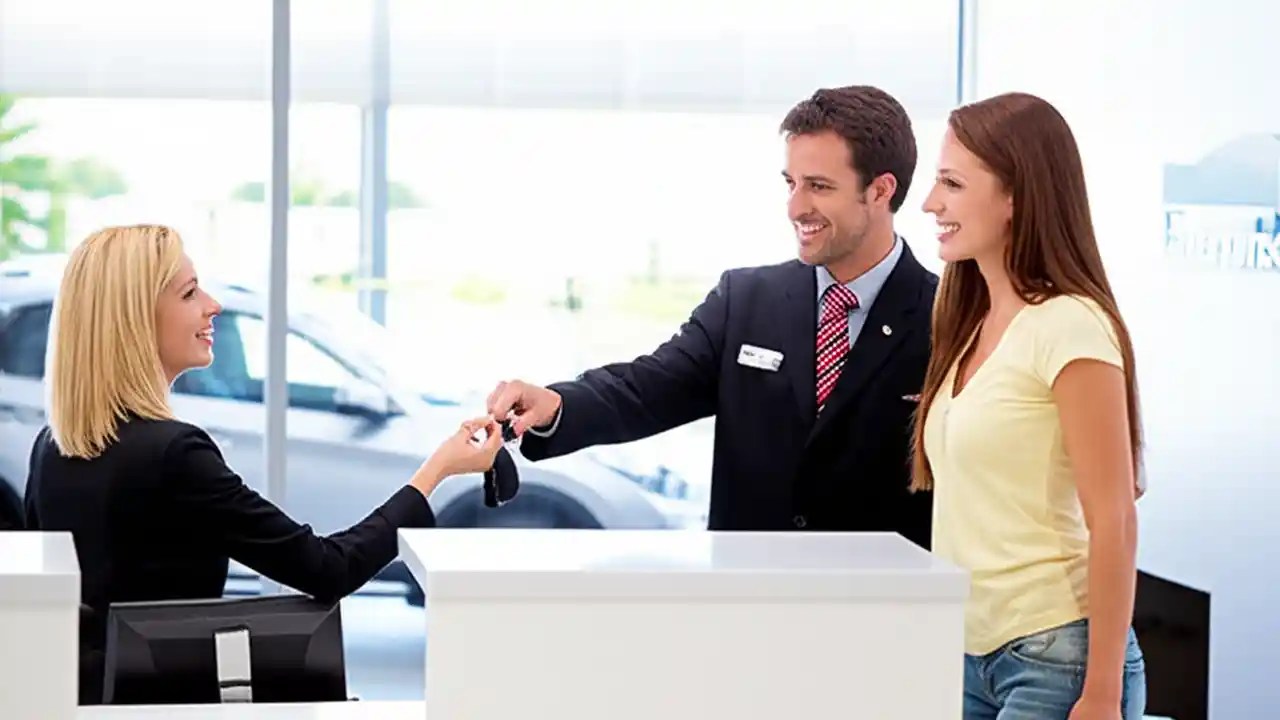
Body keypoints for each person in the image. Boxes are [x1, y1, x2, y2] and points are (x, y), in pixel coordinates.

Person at [22, 224, 504, 704]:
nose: (214, 305)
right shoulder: (175, 454)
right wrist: (434, 471)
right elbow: (328, 569)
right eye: (190, 293)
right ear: (134, 320)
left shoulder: (50, 449)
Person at [487, 85, 937, 544]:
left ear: (880, 191)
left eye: (818, 187)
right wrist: (556, 406)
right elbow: (647, 389)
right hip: (747, 598)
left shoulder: (948, 319)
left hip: (884, 604)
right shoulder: (745, 299)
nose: (796, 207)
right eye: (791, 183)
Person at [914, 92, 1146, 719]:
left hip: (1056, 657)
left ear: (1016, 196)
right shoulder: (969, 321)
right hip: (970, 652)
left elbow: (1115, 519)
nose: (931, 203)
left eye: (952, 184)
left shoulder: (1071, 326)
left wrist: (1100, 693)